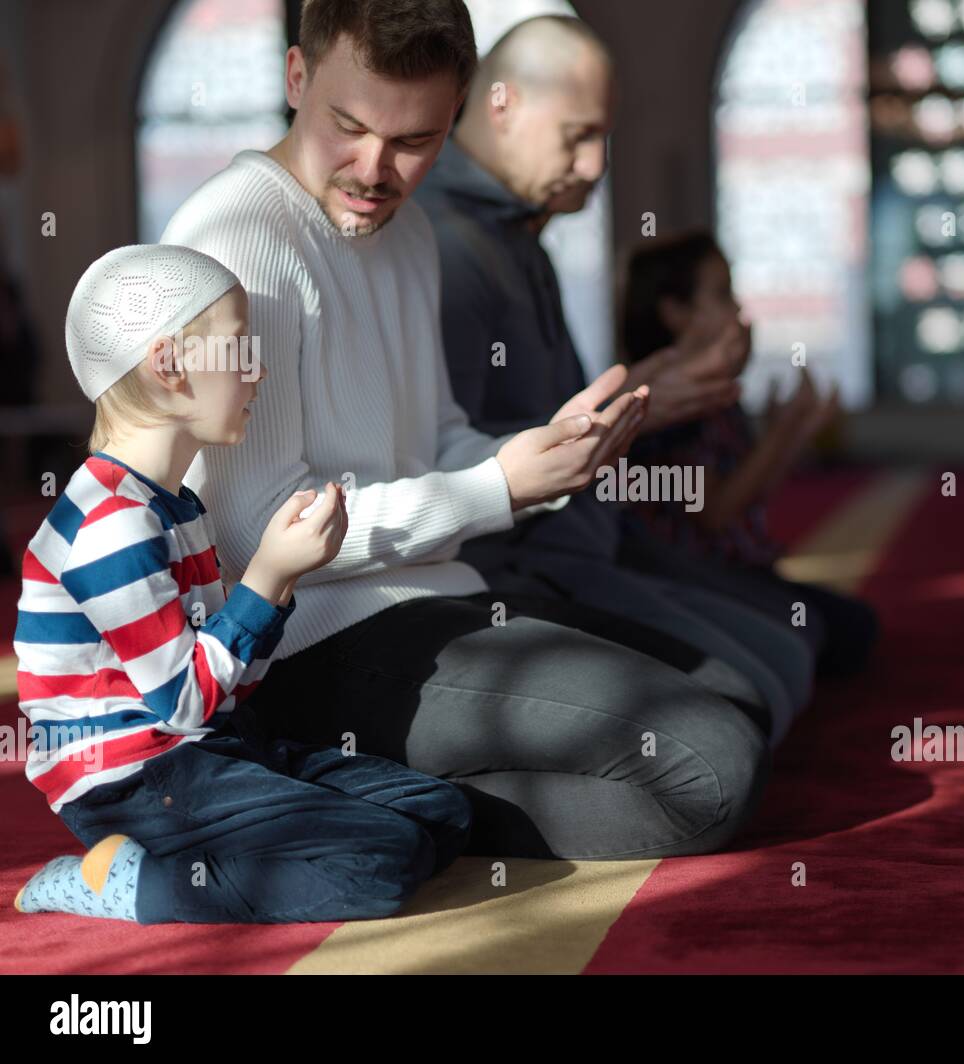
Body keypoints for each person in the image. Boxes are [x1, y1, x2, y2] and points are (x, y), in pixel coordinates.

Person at [162, 0, 769, 860]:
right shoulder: (240, 235)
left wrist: (543, 455)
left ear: (455, 119)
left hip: (435, 596)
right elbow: (256, 530)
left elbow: (437, 440)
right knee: (713, 771)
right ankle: (324, 792)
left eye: (415, 141)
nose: (376, 169)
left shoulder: (408, 235)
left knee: (740, 701)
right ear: (296, 78)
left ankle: (366, 797)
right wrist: (495, 487)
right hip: (300, 645)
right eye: (349, 126)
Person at [13, 244, 471, 924]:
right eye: (238, 349)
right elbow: (183, 703)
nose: (256, 372)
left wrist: (277, 586)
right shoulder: (111, 526)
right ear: (167, 365)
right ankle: (126, 883)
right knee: (380, 863)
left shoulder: (174, 506)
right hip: (137, 779)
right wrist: (270, 573)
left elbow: (231, 685)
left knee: (441, 814)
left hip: (210, 744)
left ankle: (211, 858)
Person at [414, 14, 815, 745]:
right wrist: (633, 415)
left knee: (789, 660)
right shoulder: (450, 246)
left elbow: (539, 417)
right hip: (518, 575)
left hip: (583, 544)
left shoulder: (513, 233)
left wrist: (640, 402)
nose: (598, 166)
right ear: (503, 106)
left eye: (603, 136)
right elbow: (447, 467)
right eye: (578, 135)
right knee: (752, 700)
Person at [622, 231, 879, 677]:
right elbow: (715, 512)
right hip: (693, 578)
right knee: (832, 631)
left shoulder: (718, 393)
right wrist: (781, 434)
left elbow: (750, 494)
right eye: (722, 294)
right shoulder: (670, 403)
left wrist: (794, 434)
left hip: (739, 569)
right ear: (675, 312)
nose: (739, 309)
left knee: (849, 625)